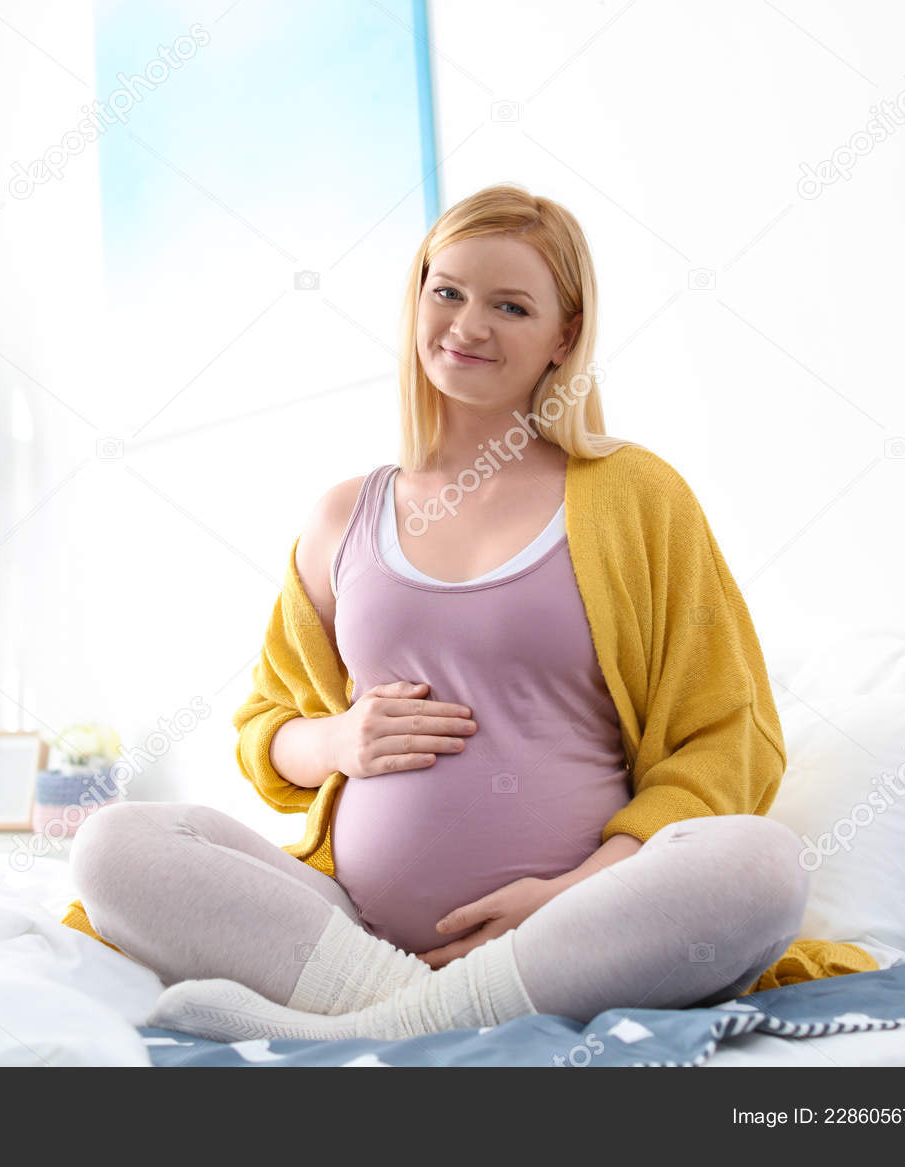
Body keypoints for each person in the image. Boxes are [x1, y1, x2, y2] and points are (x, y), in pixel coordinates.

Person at [68, 184, 862, 1045]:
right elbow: (270, 727)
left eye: (510, 305)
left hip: (574, 929)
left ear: (565, 334)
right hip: (347, 924)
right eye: (445, 291)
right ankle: (409, 1002)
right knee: (111, 844)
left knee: (763, 864)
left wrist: (572, 893)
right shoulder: (345, 515)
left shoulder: (637, 497)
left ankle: (373, 1021)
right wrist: (338, 740)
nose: (467, 325)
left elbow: (729, 735)